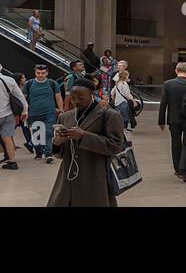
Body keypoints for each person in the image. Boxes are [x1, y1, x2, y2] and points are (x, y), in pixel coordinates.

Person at [47, 77, 126, 207]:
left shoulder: (109, 115)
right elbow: (59, 154)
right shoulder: (65, 117)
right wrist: (57, 142)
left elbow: (116, 146)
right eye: (73, 97)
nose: (76, 101)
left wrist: (84, 136)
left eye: (81, 97)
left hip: (95, 178)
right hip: (67, 179)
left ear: (92, 95)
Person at [159, 61, 186, 182]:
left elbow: (163, 104)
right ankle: (183, 170)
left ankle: (177, 169)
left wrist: (161, 121)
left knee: (175, 143)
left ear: (176, 71)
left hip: (173, 119)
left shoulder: (168, 84)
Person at [23, 64, 63, 163]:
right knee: (37, 134)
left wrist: (61, 110)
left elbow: (58, 97)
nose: (41, 75)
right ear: (35, 73)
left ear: (47, 73)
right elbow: (23, 99)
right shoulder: (29, 84)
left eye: (43, 73)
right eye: (38, 73)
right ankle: (39, 152)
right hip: (34, 113)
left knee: (48, 132)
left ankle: (48, 153)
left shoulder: (52, 83)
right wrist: (25, 111)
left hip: (50, 113)